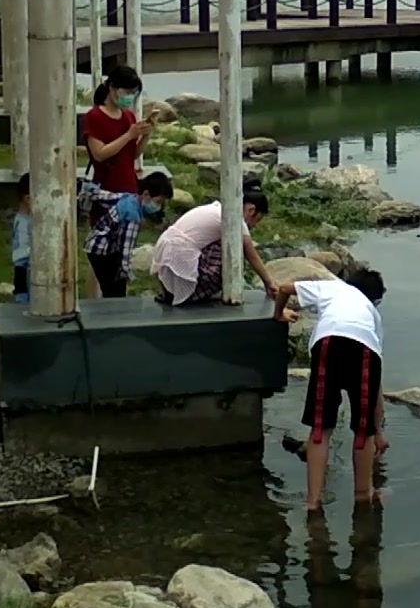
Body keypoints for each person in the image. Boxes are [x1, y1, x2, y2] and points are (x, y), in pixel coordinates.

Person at [273, 267, 390, 512]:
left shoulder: (333, 287)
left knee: (320, 428)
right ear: (375, 300)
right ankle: (363, 496)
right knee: (362, 430)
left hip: (328, 343)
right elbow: (375, 386)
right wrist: (377, 432)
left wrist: (279, 314)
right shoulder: (373, 318)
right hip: (365, 348)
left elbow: (283, 288)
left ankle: (312, 502)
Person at [150, 189, 278, 305]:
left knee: (221, 242)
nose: (254, 226)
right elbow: (251, 255)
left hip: (166, 250)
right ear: (251, 210)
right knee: (234, 252)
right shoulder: (232, 218)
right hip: (179, 255)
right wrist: (269, 283)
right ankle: (192, 294)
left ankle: (174, 292)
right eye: (257, 220)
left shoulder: (217, 208)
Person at [79, 170, 174, 297]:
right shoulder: (132, 216)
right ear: (146, 195)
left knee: (111, 288)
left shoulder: (129, 198)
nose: (159, 206)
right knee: (115, 291)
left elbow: (106, 196)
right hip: (102, 250)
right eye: (158, 202)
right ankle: (114, 314)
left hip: (96, 245)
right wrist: (125, 271)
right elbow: (126, 248)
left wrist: (91, 191)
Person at [82, 67, 151, 194]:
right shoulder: (95, 116)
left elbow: (132, 154)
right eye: (127, 92)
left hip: (130, 188)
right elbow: (99, 154)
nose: (130, 97)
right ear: (112, 88)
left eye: (133, 93)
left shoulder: (129, 116)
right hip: (105, 191)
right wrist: (129, 135)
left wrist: (145, 135)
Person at [10, 173, 32, 303]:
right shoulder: (22, 224)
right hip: (24, 274)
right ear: (28, 198)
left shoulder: (29, 219)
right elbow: (20, 255)